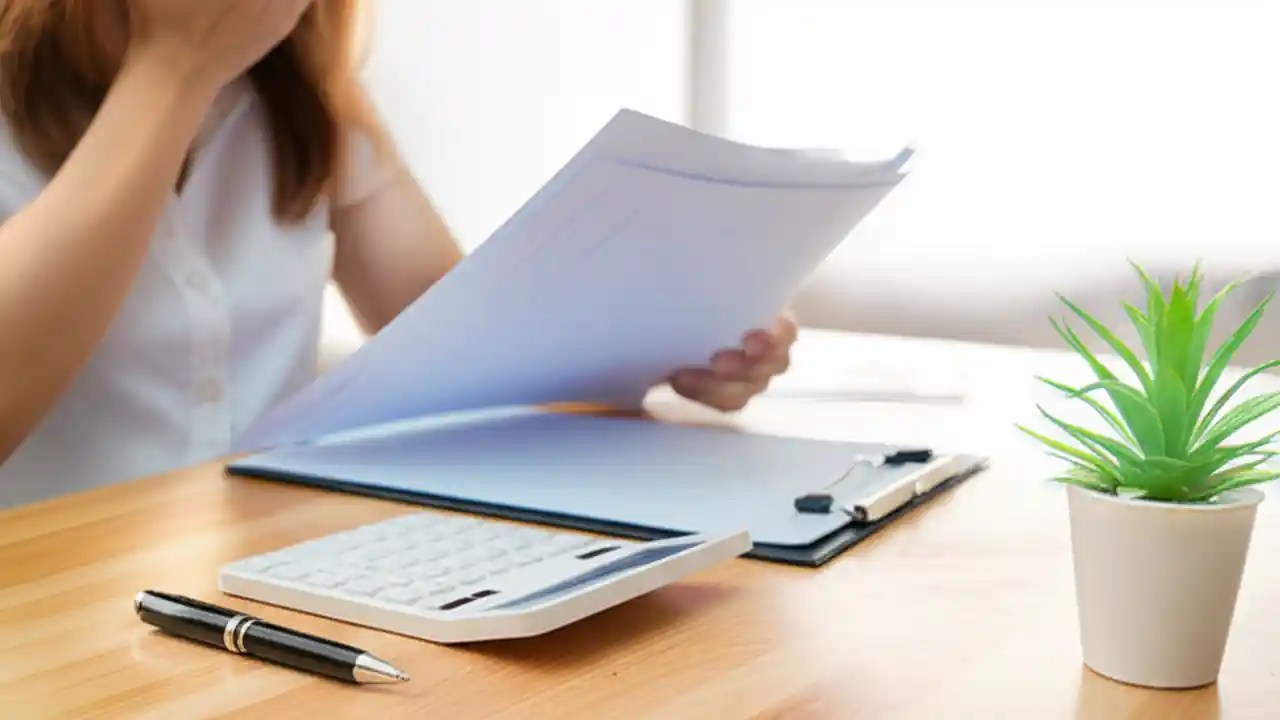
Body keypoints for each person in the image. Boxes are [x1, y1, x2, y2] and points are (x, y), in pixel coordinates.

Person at [0, 0, 797, 507]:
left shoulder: (304, 95)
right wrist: (174, 65)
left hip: (248, 596)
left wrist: (670, 340)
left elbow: (477, 356)